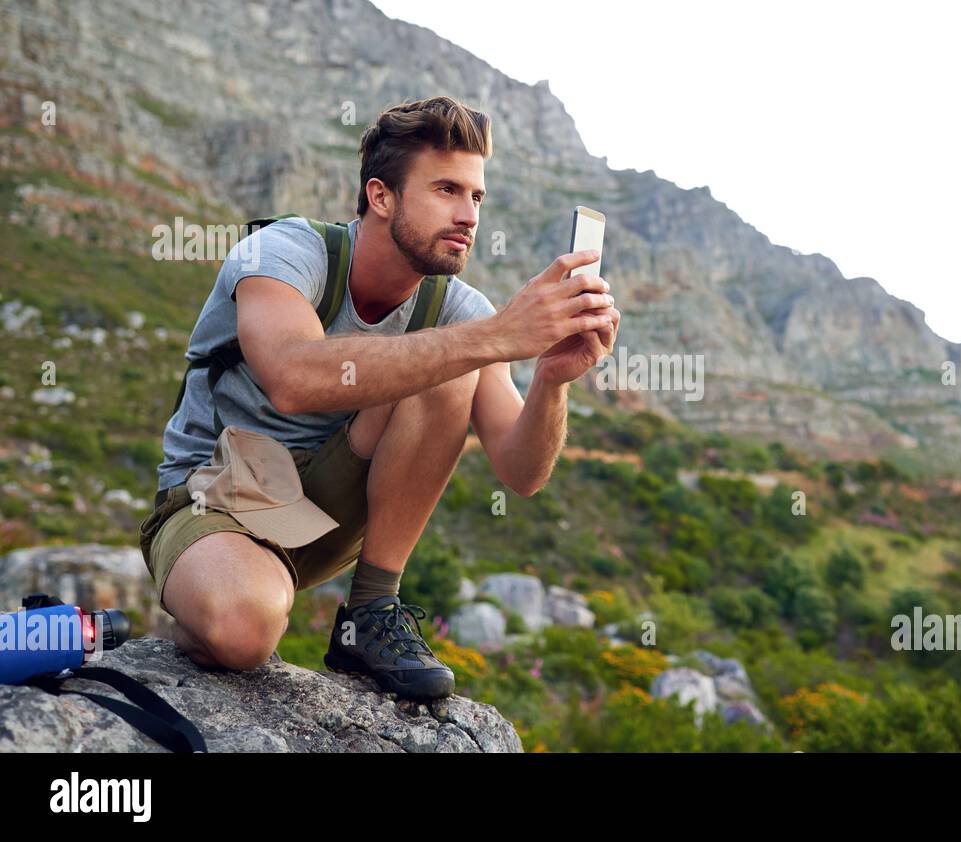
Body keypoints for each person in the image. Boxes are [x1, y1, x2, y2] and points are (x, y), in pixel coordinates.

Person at [137, 95, 619, 700]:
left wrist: (552, 378)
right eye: (446, 189)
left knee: (452, 358)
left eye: (475, 196)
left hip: (327, 513)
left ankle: (369, 612)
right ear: (381, 196)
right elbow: (292, 379)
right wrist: (496, 337)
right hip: (218, 499)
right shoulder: (285, 253)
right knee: (244, 631)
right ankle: (211, 601)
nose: (468, 215)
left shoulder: (460, 310)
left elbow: (523, 473)